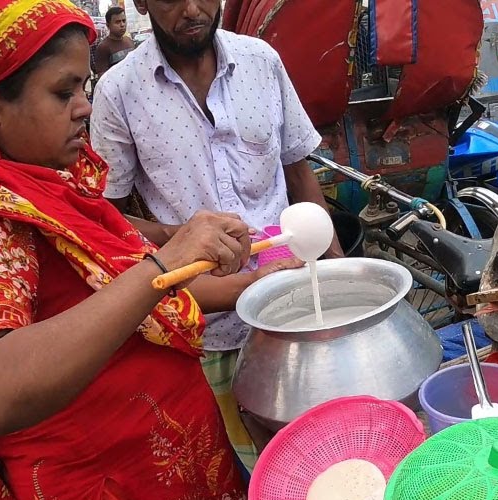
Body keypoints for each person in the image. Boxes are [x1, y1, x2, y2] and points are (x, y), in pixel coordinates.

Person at [0, 0, 299, 500]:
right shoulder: (6, 217)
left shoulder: (61, 188)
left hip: (172, 456)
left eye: (85, 86)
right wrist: (164, 258)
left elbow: (147, 285)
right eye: (61, 92)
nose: (82, 107)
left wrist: (270, 280)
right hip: (112, 493)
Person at [90, 0, 337, 472]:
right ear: (141, 3)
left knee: (327, 457)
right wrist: (178, 235)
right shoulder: (119, 91)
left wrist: (336, 271)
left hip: (297, 310)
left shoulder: (261, 61)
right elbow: (105, 217)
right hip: (207, 332)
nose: (192, 9)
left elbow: (299, 173)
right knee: (254, 475)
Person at [90, 6, 134, 77]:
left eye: (124, 21)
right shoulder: (103, 47)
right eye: (117, 22)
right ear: (108, 25)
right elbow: (103, 76)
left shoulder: (129, 41)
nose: (122, 25)